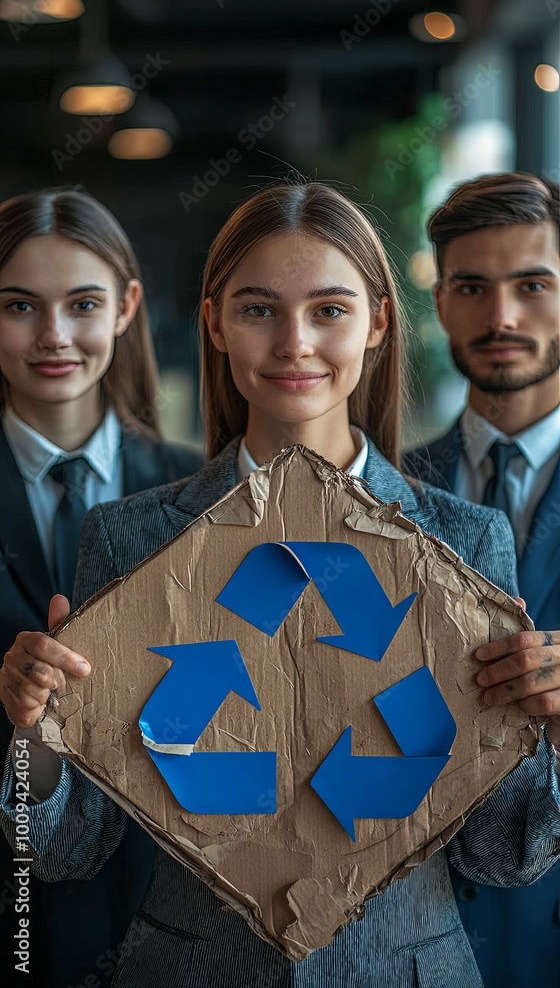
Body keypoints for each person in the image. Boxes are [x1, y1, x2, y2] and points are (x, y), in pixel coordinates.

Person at [1, 181, 560, 988]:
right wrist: (35, 736)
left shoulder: (467, 540)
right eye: (259, 309)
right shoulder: (131, 538)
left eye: (329, 310)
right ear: (215, 323)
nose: (294, 342)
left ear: (377, 323)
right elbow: (63, 847)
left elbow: (504, 854)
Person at [0, 186, 204, 987]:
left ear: (126, 308)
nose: (54, 336)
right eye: (19, 306)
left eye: (81, 304)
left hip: (164, 903)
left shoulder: (204, 493)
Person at [404, 172, 560, 988]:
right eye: (472, 287)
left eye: (533, 285)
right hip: (416, 932)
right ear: (441, 303)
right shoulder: (376, 492)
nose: (501, 318)